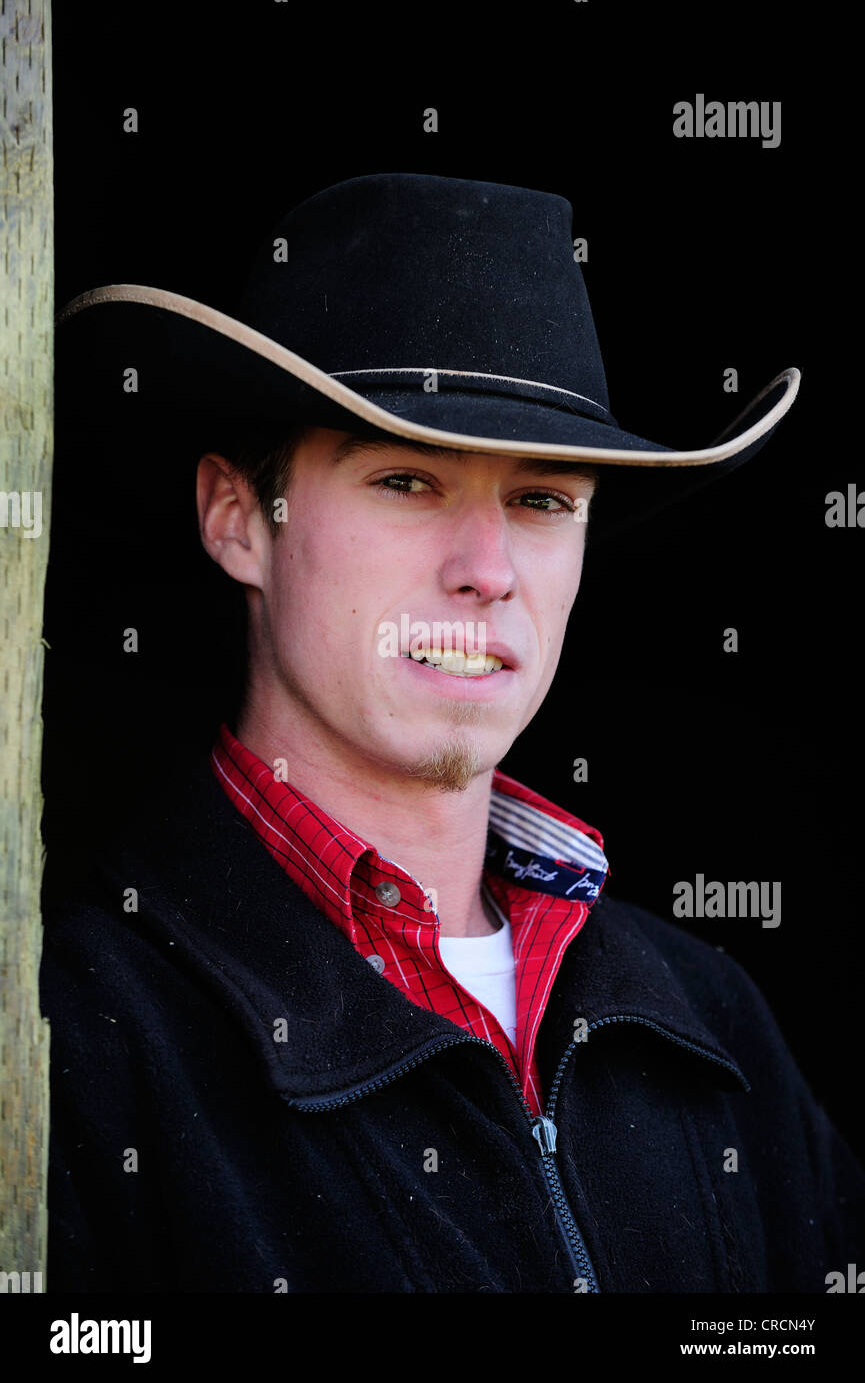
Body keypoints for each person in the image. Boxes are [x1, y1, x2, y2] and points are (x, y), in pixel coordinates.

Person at [41, 172, 863, 1293]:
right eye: (405, 480)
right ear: (237, 519)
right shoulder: (75, 1031)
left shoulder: (708, 1019)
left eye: (541, 501)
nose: (486, 571)